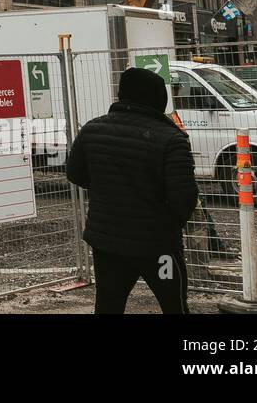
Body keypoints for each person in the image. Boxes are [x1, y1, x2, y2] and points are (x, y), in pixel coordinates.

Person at [66, 66, 199, 314]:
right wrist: (170, 221)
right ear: (159, 99)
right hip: (159, 249)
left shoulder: (92, 130)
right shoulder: (172, 139)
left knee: (108, 305)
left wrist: (107, 190)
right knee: (174, 305)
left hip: (108, 244)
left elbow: (75, 173)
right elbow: (184, 198)